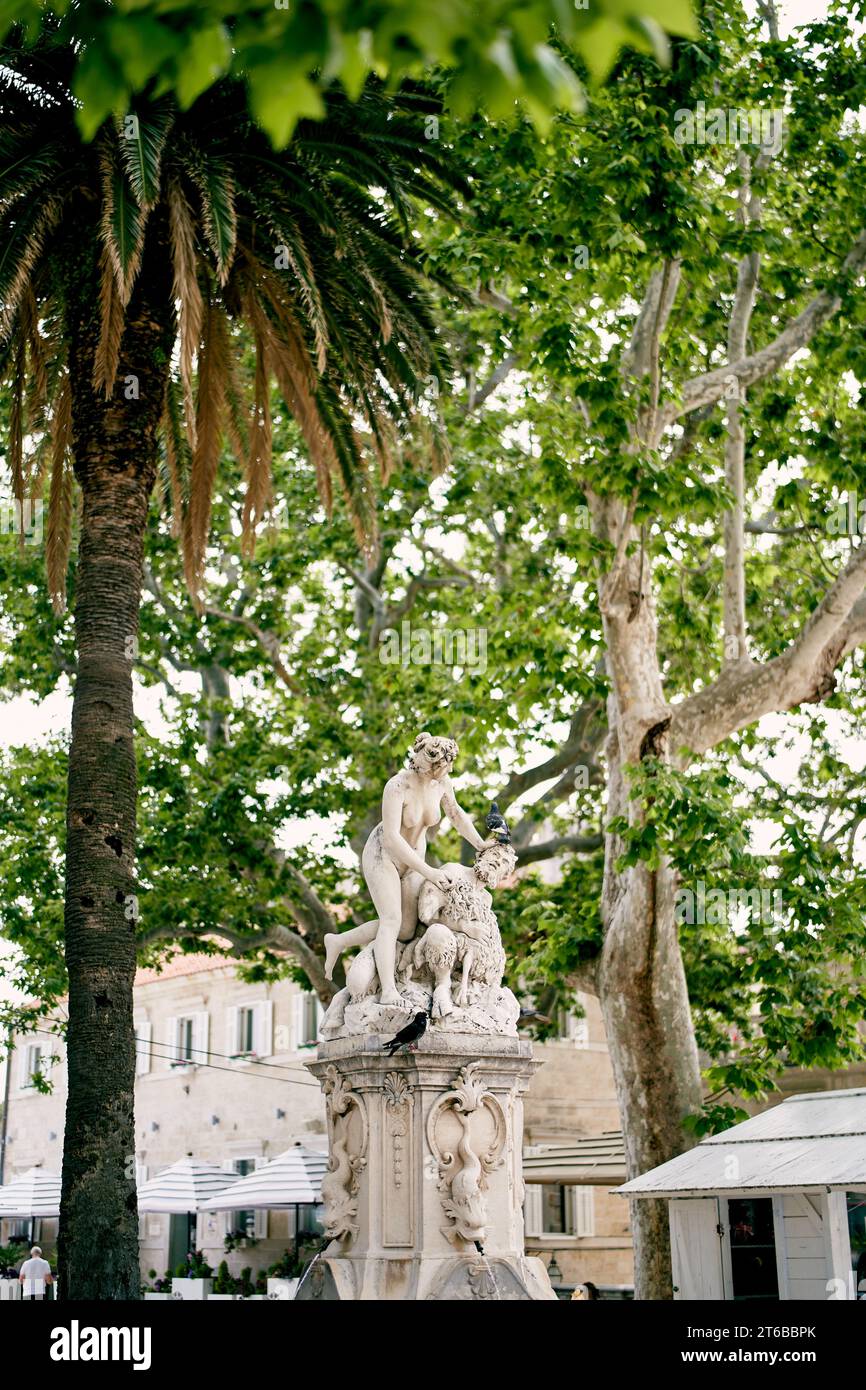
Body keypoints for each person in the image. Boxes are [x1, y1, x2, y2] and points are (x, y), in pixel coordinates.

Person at [324, 733, 488, 1006]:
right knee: (391, 920)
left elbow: (457, 816)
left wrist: (481, 845)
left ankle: (339, 941)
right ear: (427, 763)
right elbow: (392, 838)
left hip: (414, 858)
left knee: (406, 931)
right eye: (442, 767)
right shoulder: (397, 786)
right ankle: (388, 990)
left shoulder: (441, 784)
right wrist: (430, 872)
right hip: (384, 855)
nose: (445, 772)